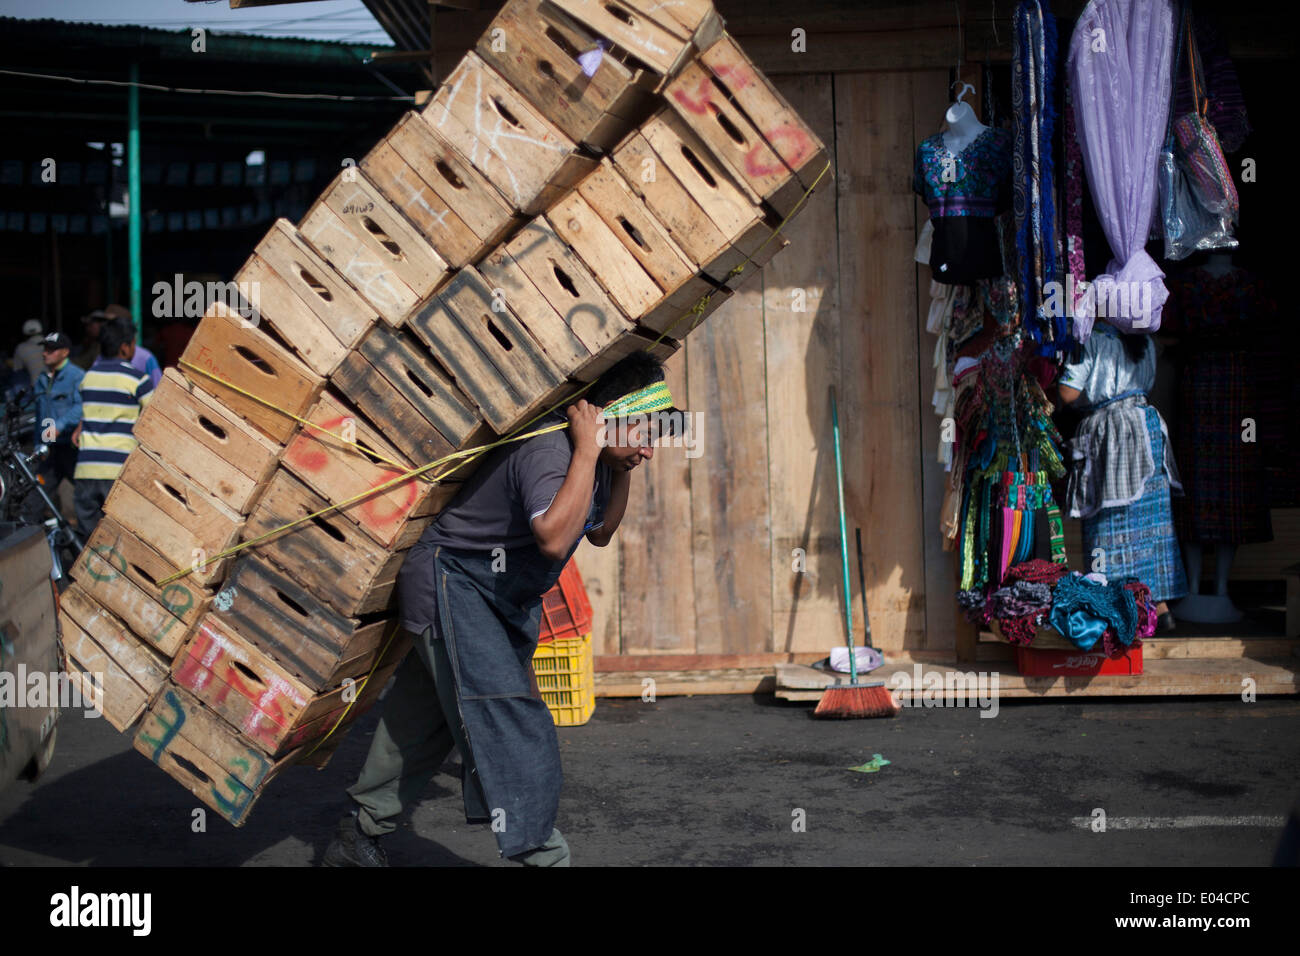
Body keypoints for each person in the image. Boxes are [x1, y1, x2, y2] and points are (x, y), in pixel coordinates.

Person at [323, 352, 681, 868]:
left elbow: (598, 532)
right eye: (644, 432)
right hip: (453, 585)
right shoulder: (552, 452)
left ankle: (358, 834)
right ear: (605, 418)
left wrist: (617, 460)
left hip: (498, 599)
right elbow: (555, 540)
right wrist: (590, 449)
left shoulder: (599, 458)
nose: (651, 448)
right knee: (505, 718)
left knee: (421, 721)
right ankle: (545, 858)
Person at [1058, 321, 1186, 629]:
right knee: (1152, 526)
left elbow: (1067, 393)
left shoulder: (1093, 339)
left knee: (1108, 524)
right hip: (1146, 426)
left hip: (1112, 435)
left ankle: (1115, 611)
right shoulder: (1146, 339)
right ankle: (1160, 608)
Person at [73, 316, 154, 540]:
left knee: (88, 539)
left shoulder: (88, 378)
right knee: (121, 537)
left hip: (86, 469)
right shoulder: (138, 380)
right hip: (119, 470)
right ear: (125, 347)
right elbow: (154, 420)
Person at [27, 332, 84, 523]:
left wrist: (60, 425)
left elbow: (81, 406)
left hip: (70, 447)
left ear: (65, 352)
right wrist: (38, 444)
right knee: (36, 496)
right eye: (45, 349)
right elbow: (40, 416)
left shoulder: (76, 376)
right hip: (48, 448)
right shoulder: (43, 378)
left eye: (51, 350)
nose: (45, 354)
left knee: (85, 496)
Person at [103, 304, 162, 388]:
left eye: (112, 324)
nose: (106, 328)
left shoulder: (146, 358)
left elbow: (158, 388)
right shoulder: (101, 355)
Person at [13, 319, 45, 384]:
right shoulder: (52, 344)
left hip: (36, 388)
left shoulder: (21, 348)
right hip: (58, 387)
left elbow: (17, 369)